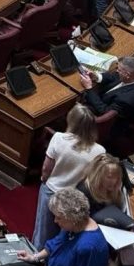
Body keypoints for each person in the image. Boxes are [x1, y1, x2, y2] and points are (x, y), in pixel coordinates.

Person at [33, 103, 103, 249]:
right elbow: (91, 178)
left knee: (43, 231)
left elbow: (47, 167)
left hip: (51, 190)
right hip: (74, 199)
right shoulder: (100, 151)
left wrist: (44, 180)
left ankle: (37, 259)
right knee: (65, 236)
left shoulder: (59, 138)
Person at [79, 56, 134, 142]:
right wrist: (97, 77)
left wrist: (89, 88)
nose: (116, 71)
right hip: (118, 102)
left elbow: (105, 111)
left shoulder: (126, 100)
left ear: (127, 74)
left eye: (119, 69)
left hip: (114, 124)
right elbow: (116, 77)